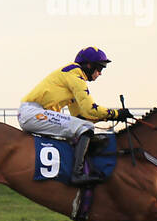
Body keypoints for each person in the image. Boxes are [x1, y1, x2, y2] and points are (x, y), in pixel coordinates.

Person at [18, 46, 132, 184]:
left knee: (84, 127)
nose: (100, 73)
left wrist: (108, 117)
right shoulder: (75, 76)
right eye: (100, 68)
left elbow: (80, 117)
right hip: (33, 113)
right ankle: (77, 174)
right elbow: (90, 109)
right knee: (85, 127)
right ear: (89, 65)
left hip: (35, 112)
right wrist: (116, 114)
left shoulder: (72, 77)